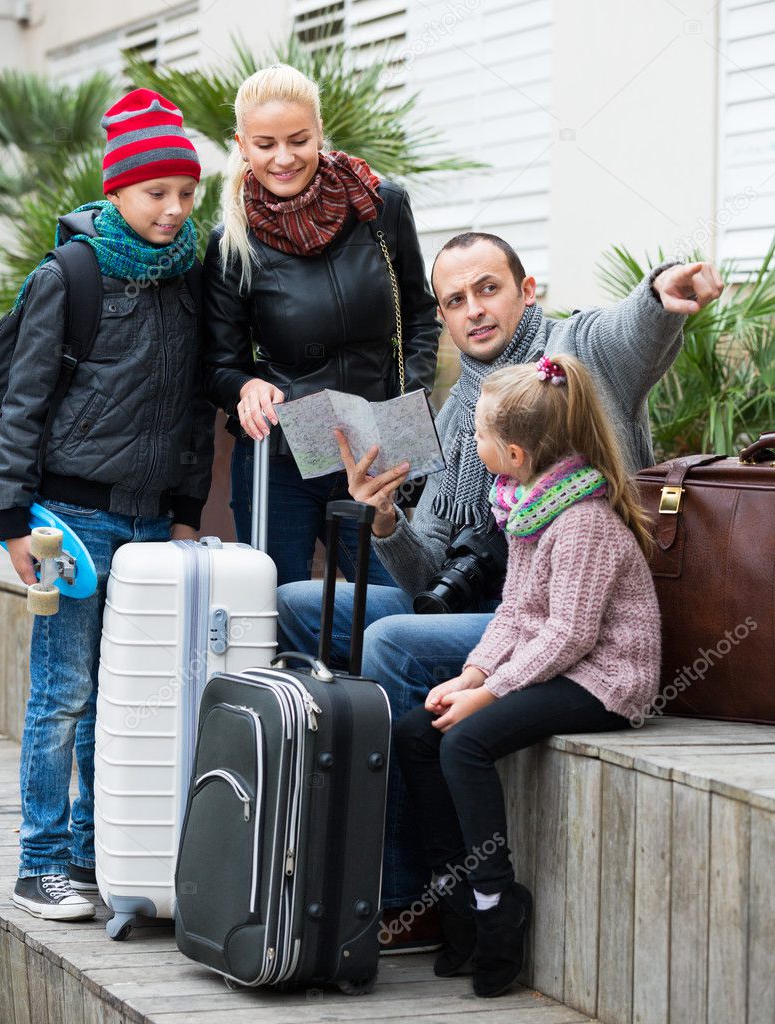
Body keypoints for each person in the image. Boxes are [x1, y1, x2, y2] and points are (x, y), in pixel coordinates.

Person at [277, 231, 724, 949]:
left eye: (489, 288)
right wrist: (386, 518)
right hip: (493, 611)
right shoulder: (450, 416)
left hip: (571, 617)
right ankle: (312, 847)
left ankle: (398, 892)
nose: (475, 310)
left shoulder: (576, 350)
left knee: (390, 641)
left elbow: (635, 324)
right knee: (300, 605)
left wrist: (665, 292)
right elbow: (429, 581)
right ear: (443, 317)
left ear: (527, 289)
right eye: (455, 300)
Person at [0, 88, 213, 920]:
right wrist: (13, 519)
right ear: (116, 190)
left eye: (186, 192)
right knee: (62, 692)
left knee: (120, 694)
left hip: (152, 521)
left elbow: (199, 404)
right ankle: (40, 861)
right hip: (71, 516)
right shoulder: (71, 274)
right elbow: (21, 403)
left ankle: (92, 853)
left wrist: (188, 507)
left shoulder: (193, 276)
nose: (172, 208)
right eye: (155, 192)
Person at [394, 353, 661, 997]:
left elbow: (570, 635)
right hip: (560, 662)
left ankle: (497, 904)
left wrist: (489, 695)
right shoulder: (525, 508)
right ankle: (454, 896)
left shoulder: (583, 521)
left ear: (512, 451)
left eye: (479, 434)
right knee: (415, 733)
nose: (472, 442)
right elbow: (517, 611)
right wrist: (472, 675)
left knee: (465, 742)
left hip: (607, 678)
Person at [202, 63, 439, 585]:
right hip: (283, 457)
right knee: (278, 610)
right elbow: (219, 364)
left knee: (389, 607)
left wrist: (406, 406)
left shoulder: (381, 205)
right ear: (242, 145)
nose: (283, 158)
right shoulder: (230, 241)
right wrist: (246, 387)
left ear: (320, 134)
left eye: (298, 140)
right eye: (265, 144)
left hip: (379, 449)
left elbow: (421, 315)